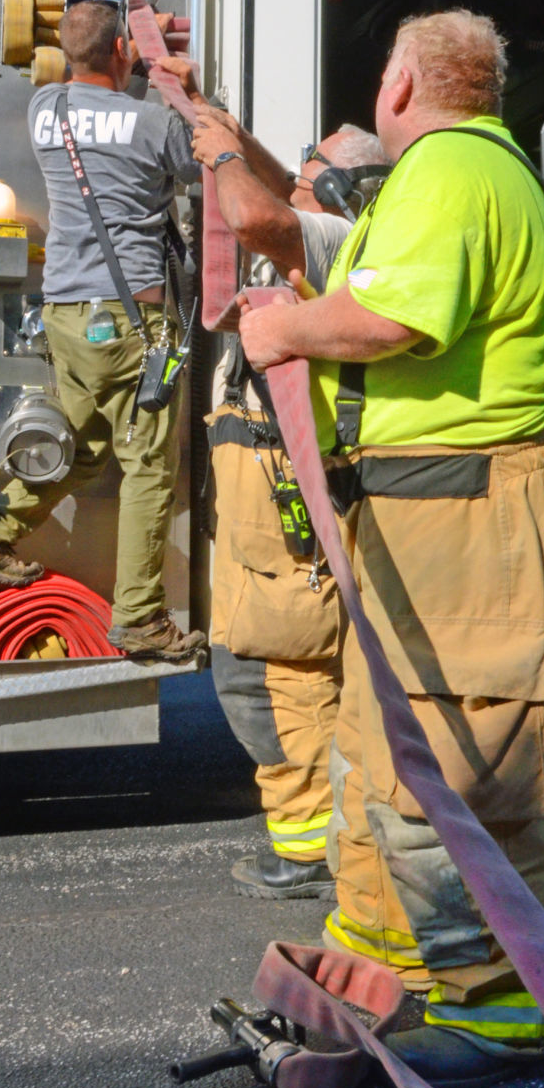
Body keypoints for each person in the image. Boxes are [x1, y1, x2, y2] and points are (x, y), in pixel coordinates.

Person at [237, 9, 544, 1088]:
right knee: (381, 760)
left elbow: (391, 320)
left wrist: (284, 330)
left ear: (399, 87)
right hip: (424, 512)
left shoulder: (449, 172)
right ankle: (384, 963)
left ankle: (498, 1003)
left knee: (453, 765)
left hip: (460, 517)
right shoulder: (458, 176)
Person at [170, 69, 388, 899]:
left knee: (279, 664)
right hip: (254, 474)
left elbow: (261, 211)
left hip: (279, 481)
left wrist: (223, 147)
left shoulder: (336, 240)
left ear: (344, 191)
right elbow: (270, 190)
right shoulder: (324, 221)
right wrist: (217, 122)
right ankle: (305, 835)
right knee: (255, 661)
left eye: (312, 168)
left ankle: (308, 847)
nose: (297, 174)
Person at [0, 0, 205, 663]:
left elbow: (94, 107)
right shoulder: (153, 121)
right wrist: (182, 87)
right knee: (147, 468)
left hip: (64, 309)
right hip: (133, 316)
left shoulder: (45, 111)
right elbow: (203, 161)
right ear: (124, 51)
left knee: (83, 447)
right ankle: (142, 617)